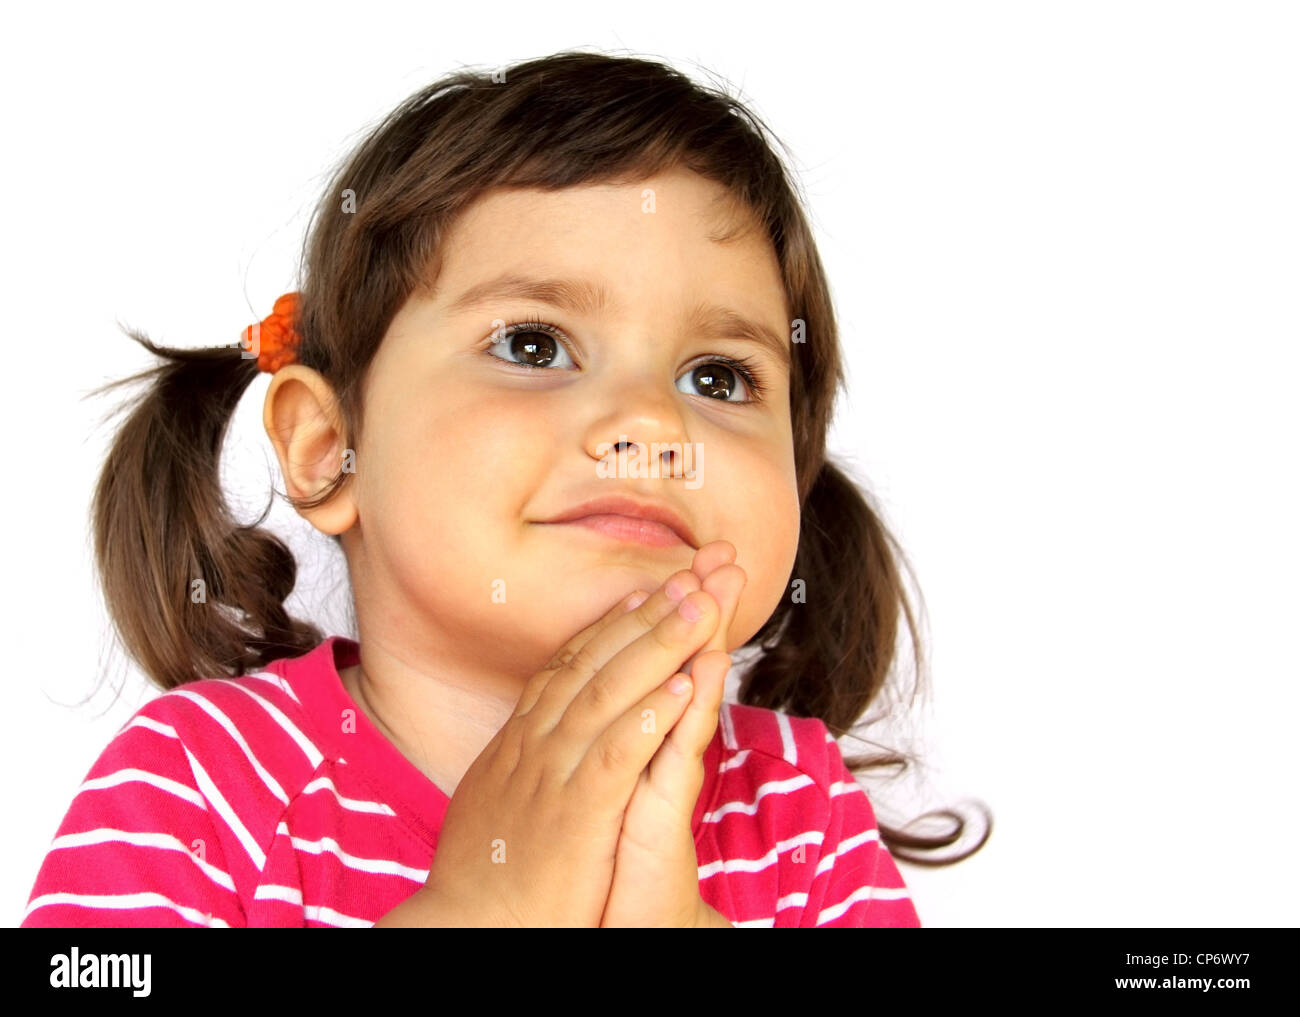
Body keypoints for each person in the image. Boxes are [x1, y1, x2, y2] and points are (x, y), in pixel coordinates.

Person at [21, 50, 987, 928]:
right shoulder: (200, 786)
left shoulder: (801, 818)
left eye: (719, 377)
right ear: (328, 448)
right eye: (533, 345)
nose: (654, 425)